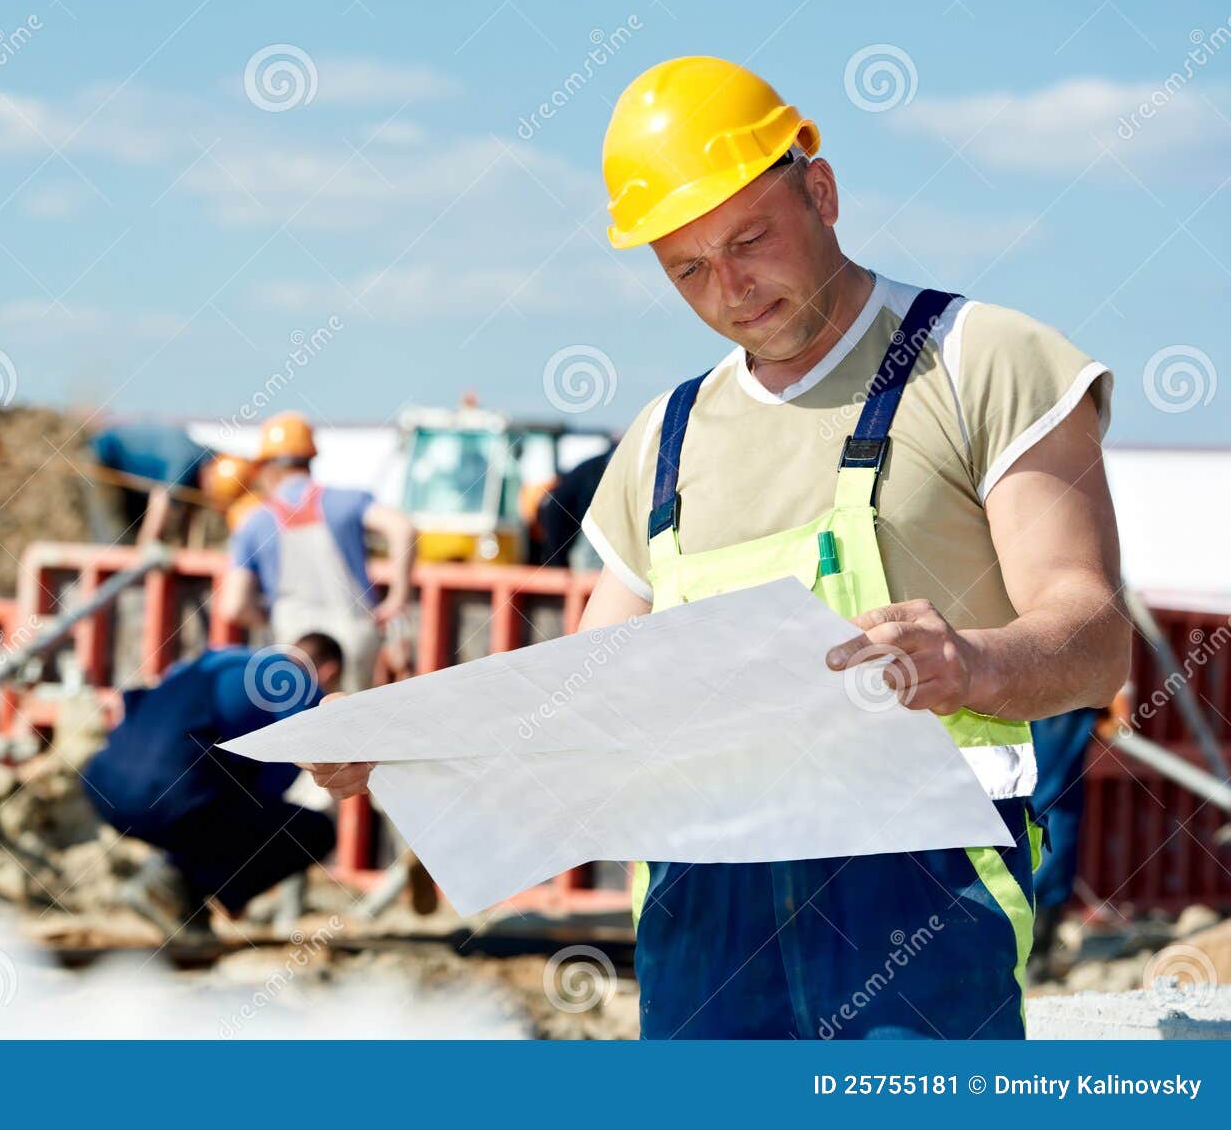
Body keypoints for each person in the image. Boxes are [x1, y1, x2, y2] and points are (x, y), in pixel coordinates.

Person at [305, 56, 1130, 1040]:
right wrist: (404, 737)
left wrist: (971, 662)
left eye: (749, 239)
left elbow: (1093, 638)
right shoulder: (665, 437)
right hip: (700, 914)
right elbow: (583, 694)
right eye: (686, 268)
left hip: (917, 903)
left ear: (821, 193)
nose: (730, 288)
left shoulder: (978, 362)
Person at [80, 633, 346, 947]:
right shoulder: (294, 682)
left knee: (211, 796)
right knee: (313, 831)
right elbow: (270, 786)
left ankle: (178, 894)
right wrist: (236, 882)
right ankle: (171, 882)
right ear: (329, 671)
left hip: (101, 785)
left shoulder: (218, 659)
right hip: (167, 798)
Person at [219, 412, 415, 693]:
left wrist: (266, 616)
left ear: (268, 469)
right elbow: (402, 528)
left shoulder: (253, 522)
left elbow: (234, 606)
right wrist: (398, 597)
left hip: (293, 645)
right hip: (356, 637)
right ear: (310, 459)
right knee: (356, 716)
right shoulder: (347, 501)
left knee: (299, 716)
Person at [1027, 705, 1102, 976]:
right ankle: (1036, 936)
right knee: (1052, 802)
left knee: (1049, 801)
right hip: (1057, 693)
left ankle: (1035, 933)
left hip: (1047, 695)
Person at [87, 425, 249, 546]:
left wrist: (185, 548)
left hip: (137, 482)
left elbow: (191, 511)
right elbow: (160, 500)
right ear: (210, 475)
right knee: (114, 536)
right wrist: (144, 549)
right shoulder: (184, 462)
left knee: (139, 530)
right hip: (102, 459)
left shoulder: (211, 461)